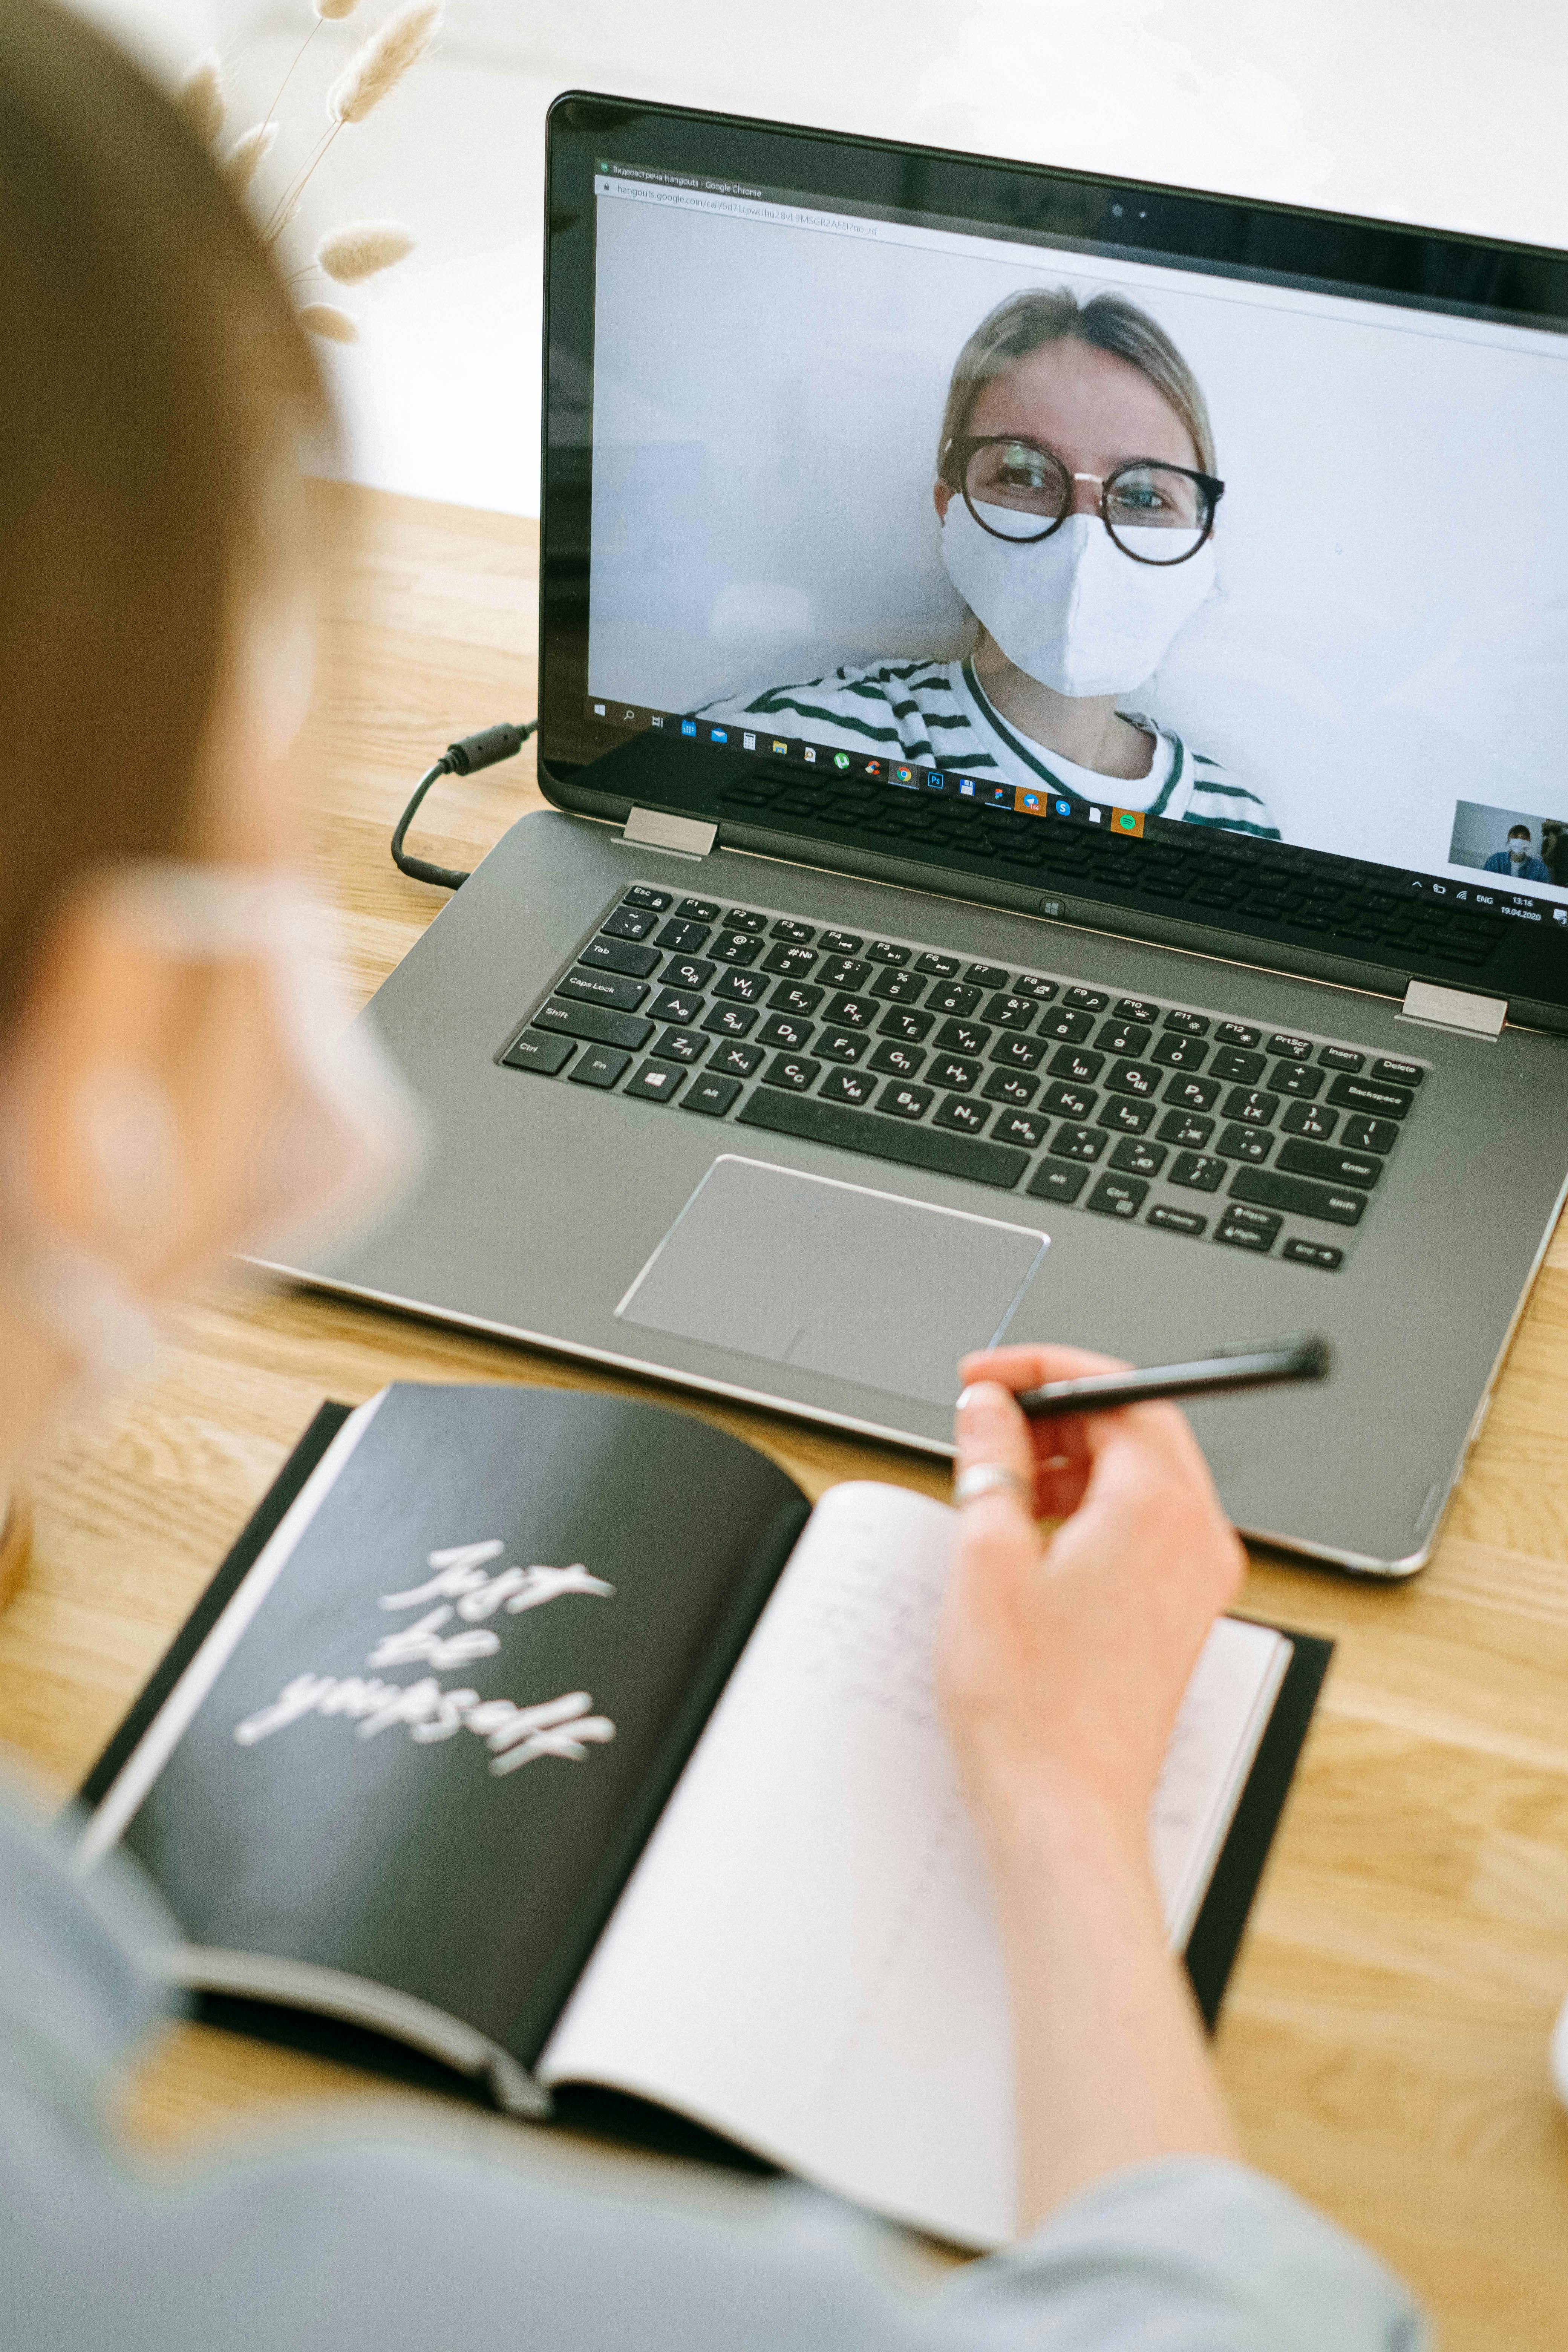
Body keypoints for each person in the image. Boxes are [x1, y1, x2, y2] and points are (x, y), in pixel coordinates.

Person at [0, 6, 1423, 2344]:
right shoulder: (787, 739)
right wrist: (1071, 1798)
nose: (321, 1132)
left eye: (1141, 495)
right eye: (1020, 476)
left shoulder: (1255, 817)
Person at [697, 287, 1279, 839]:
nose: (1082, 535)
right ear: (949, 507)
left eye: (1145, 496)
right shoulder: (798, 744)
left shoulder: (1240, 825)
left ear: (1202, 540)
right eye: (1024, 475)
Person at [1483, 822, 1551, 882]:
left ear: (1529, 843)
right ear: (1508, 841)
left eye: (1525, 838)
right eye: (1515, 837)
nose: (1520, 841)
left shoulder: (1539, 867)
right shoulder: (1495, 860)